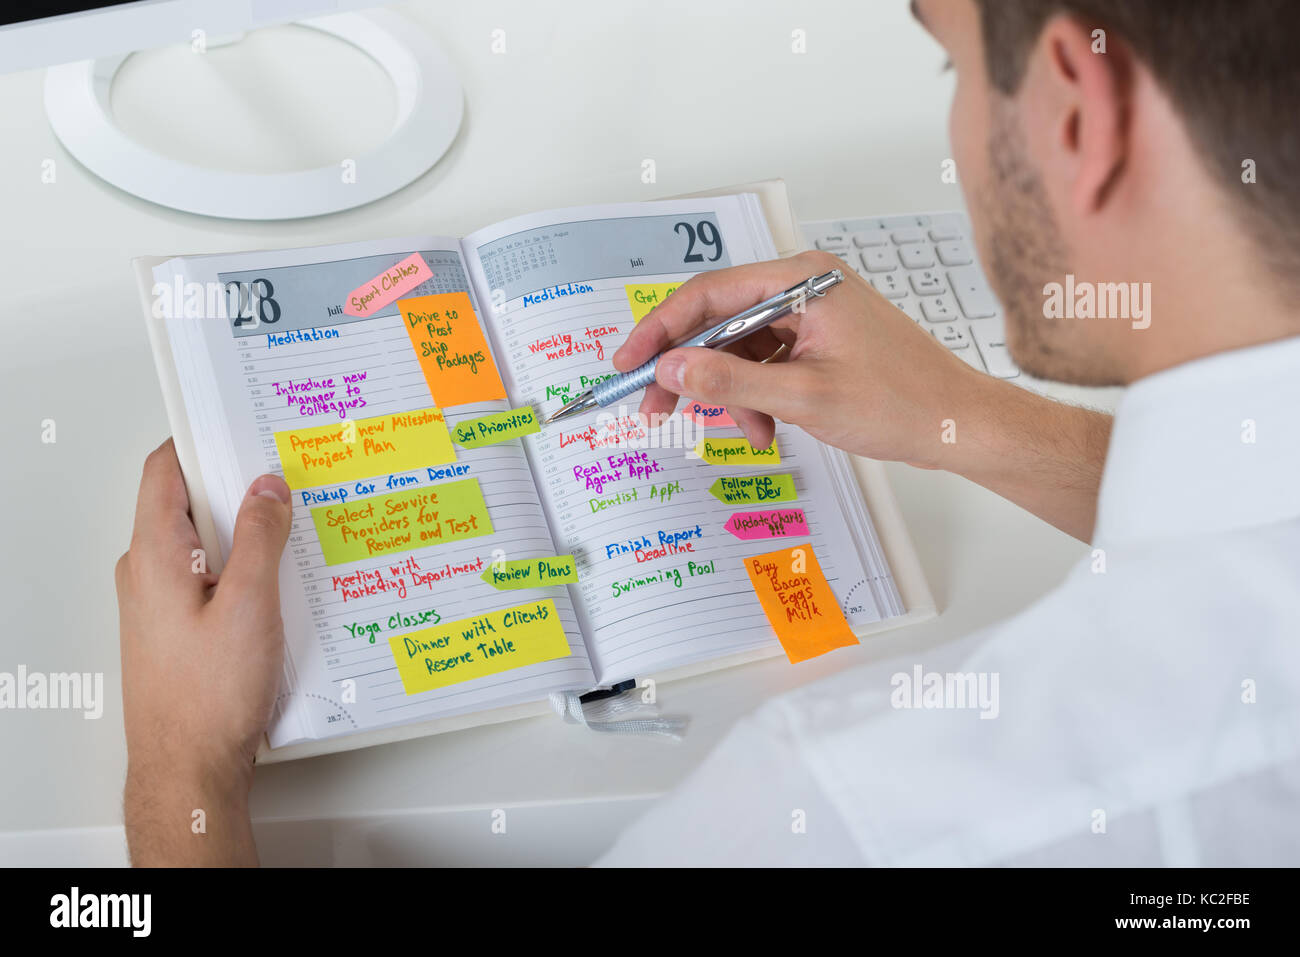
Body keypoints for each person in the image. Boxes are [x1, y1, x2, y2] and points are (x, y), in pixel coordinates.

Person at [116, 0, 1300, 866]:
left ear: (1078, 109)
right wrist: (962, 419)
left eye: (950, 61)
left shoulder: (852, 809)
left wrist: (182, 767)